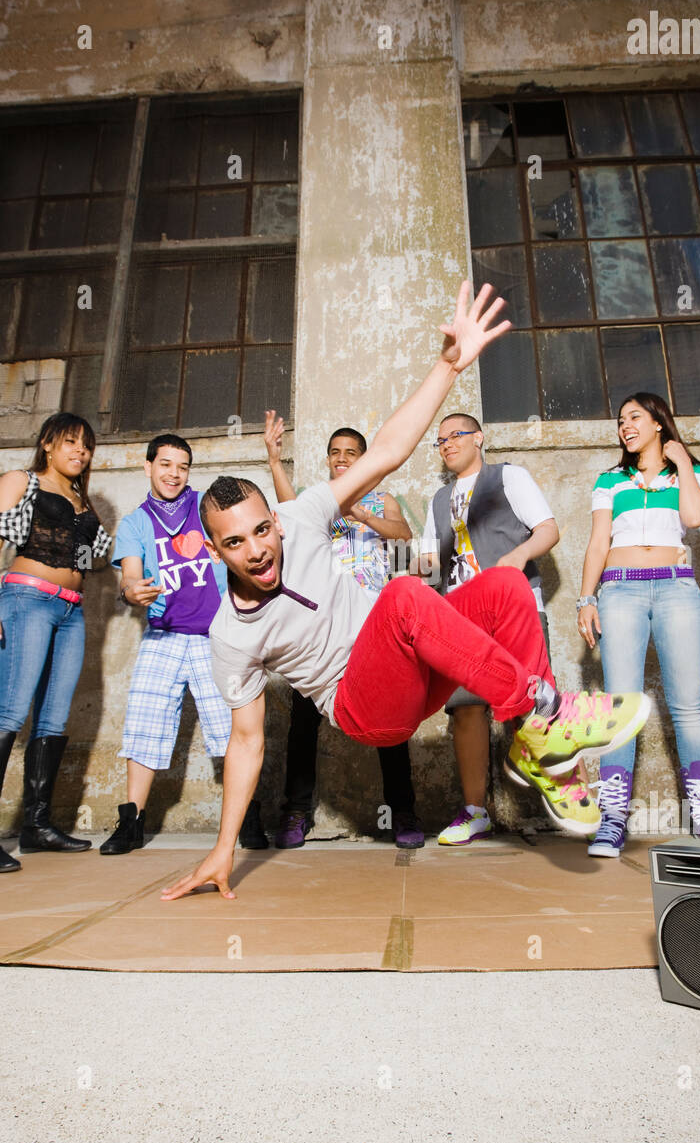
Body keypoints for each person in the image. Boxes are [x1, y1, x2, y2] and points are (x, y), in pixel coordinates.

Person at [161, 282, 650, 902]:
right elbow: (247, 741)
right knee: (401, 596)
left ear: (276, 520)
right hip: (365, 708)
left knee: (502, 586)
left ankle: (533, 740)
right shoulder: (231, 635)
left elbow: (389, 449)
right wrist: (221, 848)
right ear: (214, 550)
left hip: (412, 661)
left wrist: (448, 363)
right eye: (236, 543)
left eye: (263, 530)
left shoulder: (303, 514)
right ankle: (547, 711)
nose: (258, 550)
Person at [419, 412, 599, 845]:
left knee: (533, 702)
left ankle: (571, 801)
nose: (446, 444)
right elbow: (427, 564)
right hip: (460, 615)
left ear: (479, 438)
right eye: (439, 441)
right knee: (465, 708)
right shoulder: (438, 499)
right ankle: (475, 811)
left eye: (455, 435)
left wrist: (518, 557)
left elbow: (548, 529)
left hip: (513, 606)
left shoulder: (509, 477)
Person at [576, 391, 700, 857]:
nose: (625, 426)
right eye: (621, 420)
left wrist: (682, 461)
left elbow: (695, 517)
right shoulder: (610, 480)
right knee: (620, 708)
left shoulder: (691, 473)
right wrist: (587, 598)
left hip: (677, 588)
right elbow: (598, 540)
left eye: (635, 417)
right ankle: (611, 822)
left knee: (688, 706)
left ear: (659, 423)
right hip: (619, 589)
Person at [0, 412, 111, 874]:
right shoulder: (20, 481)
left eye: (86, 446)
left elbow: (90, 560)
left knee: (53, 718)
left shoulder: (81, 499)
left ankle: (36, 827)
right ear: (47, 443)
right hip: (27, 600)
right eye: (69, 442)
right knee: (9, 709)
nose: (79, 452)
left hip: (71, 610)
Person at [263, 416, 424, 849]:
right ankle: (296, 813)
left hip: (371, 626)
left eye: (350, 452)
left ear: (364, 458)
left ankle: (403, 813)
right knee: (303, 721)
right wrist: (275, 460)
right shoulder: (317, 502)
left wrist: (356, 512)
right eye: (335, 452)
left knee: (388, 720)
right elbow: (289, 510)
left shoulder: (384, 498)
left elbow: (405, 535)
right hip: (319, 627)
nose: (341, 459)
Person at [102, 434, 265, 854]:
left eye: (182, 466)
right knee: (144, 725)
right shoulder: (136, 522)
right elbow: (131, 577)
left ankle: (248, 816)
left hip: (217, 633)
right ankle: (131, 822)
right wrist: (132, 591)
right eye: (166, 464)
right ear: (148, 467)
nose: (174, 473)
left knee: (231, 729)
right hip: (163, 635)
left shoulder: (206, 507)